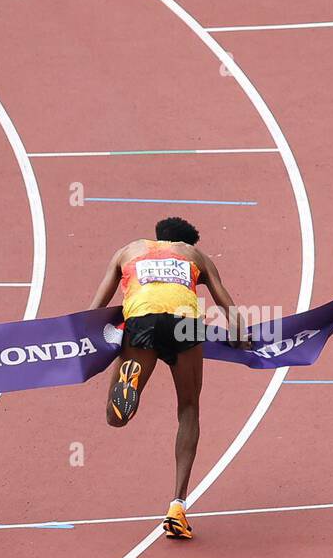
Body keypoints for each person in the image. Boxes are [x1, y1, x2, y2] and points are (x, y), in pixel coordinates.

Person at [88, 217, 248, 540]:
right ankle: (177, 505)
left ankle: (129, 379)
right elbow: (223, 300)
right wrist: (242, 336)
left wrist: (91, 342)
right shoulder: (195, 257)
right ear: (187, 244)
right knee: (188, 408)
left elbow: (94, 310)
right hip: (184, 323)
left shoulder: (128, 251)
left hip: (141, 319)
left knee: (114, 417)